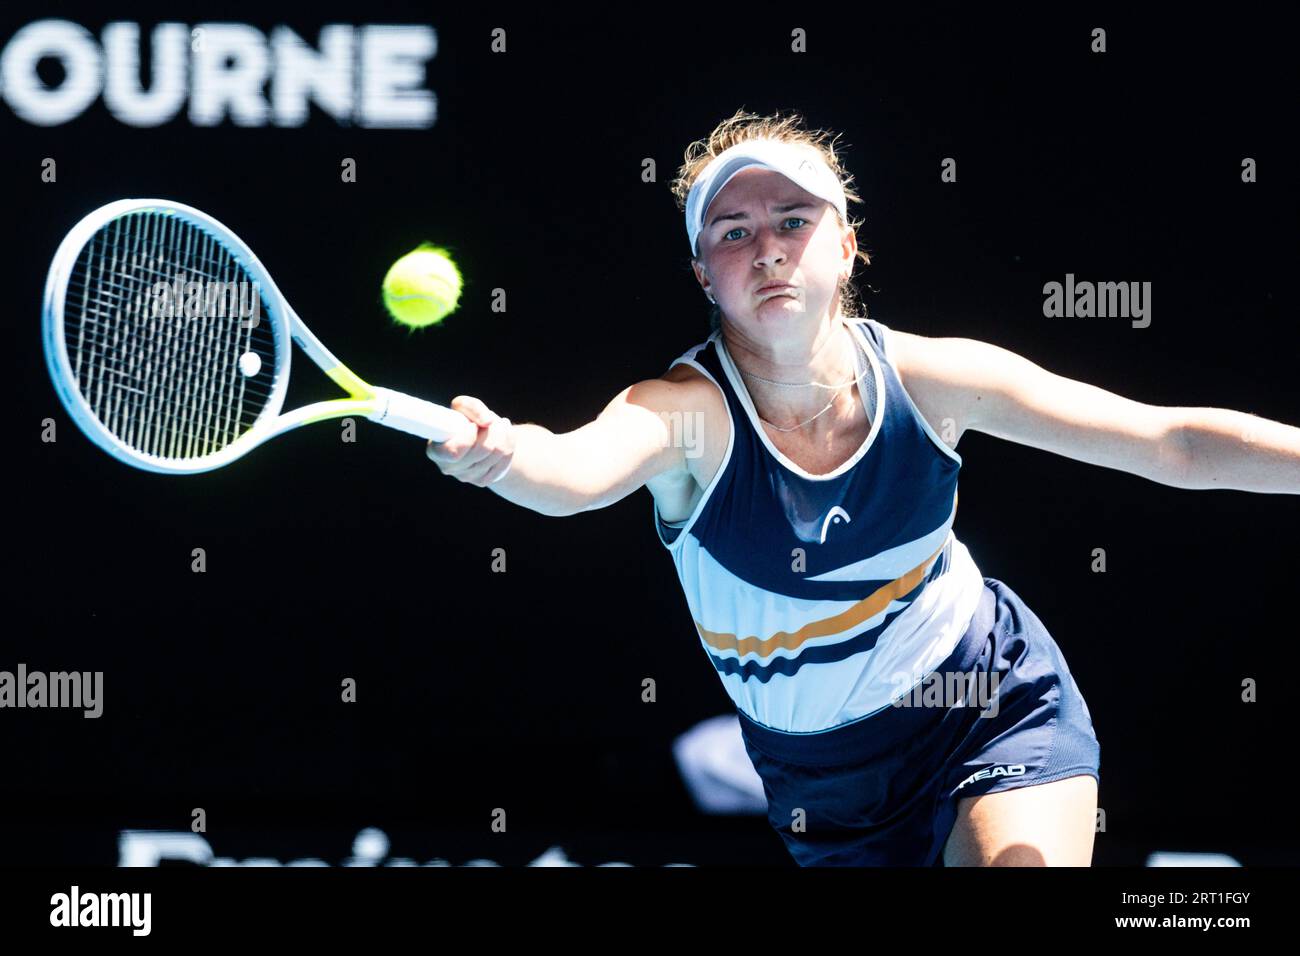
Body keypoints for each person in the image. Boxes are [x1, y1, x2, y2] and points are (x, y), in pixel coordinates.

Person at [425, 109, 1300, 866]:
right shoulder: (686, 415)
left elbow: (1170, 442)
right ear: (703, 272)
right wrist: (502, 455)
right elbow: (572, 473)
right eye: (733, 232)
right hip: (829, 784)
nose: (766, 249)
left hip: (986, 694)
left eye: (793, 221)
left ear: (845, 245)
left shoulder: (933, 379)